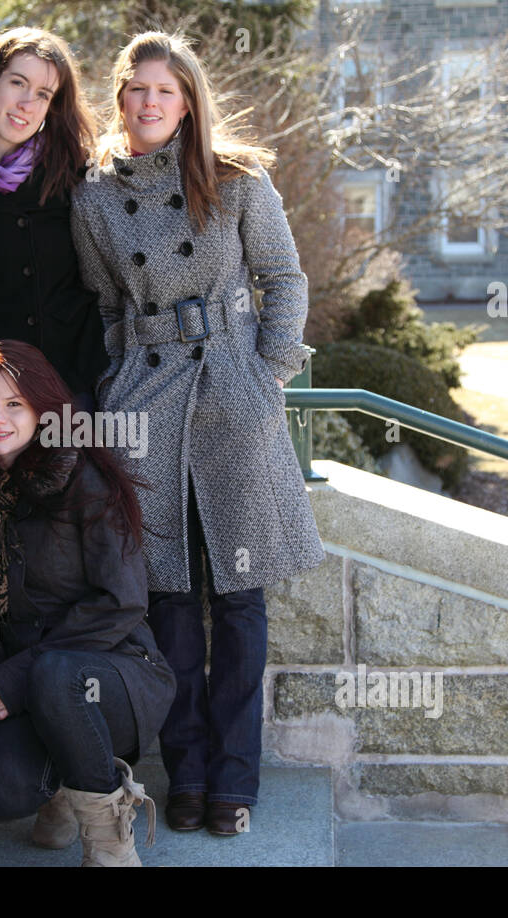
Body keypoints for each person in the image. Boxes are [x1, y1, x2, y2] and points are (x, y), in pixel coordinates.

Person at [70, 32, 325, 836]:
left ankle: (235, 783)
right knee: (172, 601)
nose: (151, 104)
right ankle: (186, 776)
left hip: (230, 391)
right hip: (146, 400)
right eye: (138, 90)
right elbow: (106, 305)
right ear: (120, 98)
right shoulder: (93, 197)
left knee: (240, 600)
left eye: (167, 91)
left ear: (188, 100)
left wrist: (268, 372)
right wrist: (118, 387)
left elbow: (283, 277)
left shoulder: (237, 180)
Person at [0, 340, 176, 867]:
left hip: (117, 672)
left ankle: (109, 842)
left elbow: (122, 603)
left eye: (15, 404)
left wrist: (20, 671)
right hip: (29, 675)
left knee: (57, 673)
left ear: (44, 407)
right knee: (7, 790)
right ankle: (66, 788)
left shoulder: (84, 479)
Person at [0, 27, 106, 414]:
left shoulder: (73, 174)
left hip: (60, 385)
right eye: (18, 83)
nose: (27, 103)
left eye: (42, 94)